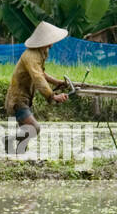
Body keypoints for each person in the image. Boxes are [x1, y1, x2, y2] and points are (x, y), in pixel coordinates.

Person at [5, 21, 70, 152]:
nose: (52, 44)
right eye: (50, 40)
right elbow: (38, 78)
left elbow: (41, 72)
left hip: (25, 97)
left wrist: (57, 82)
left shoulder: (41, 52)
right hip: (18, 99)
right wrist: (53, 96)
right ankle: (9, 140)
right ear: (44, 41)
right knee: (34, 128)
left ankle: (18, 155)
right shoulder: (31, 56)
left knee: (26, 130)